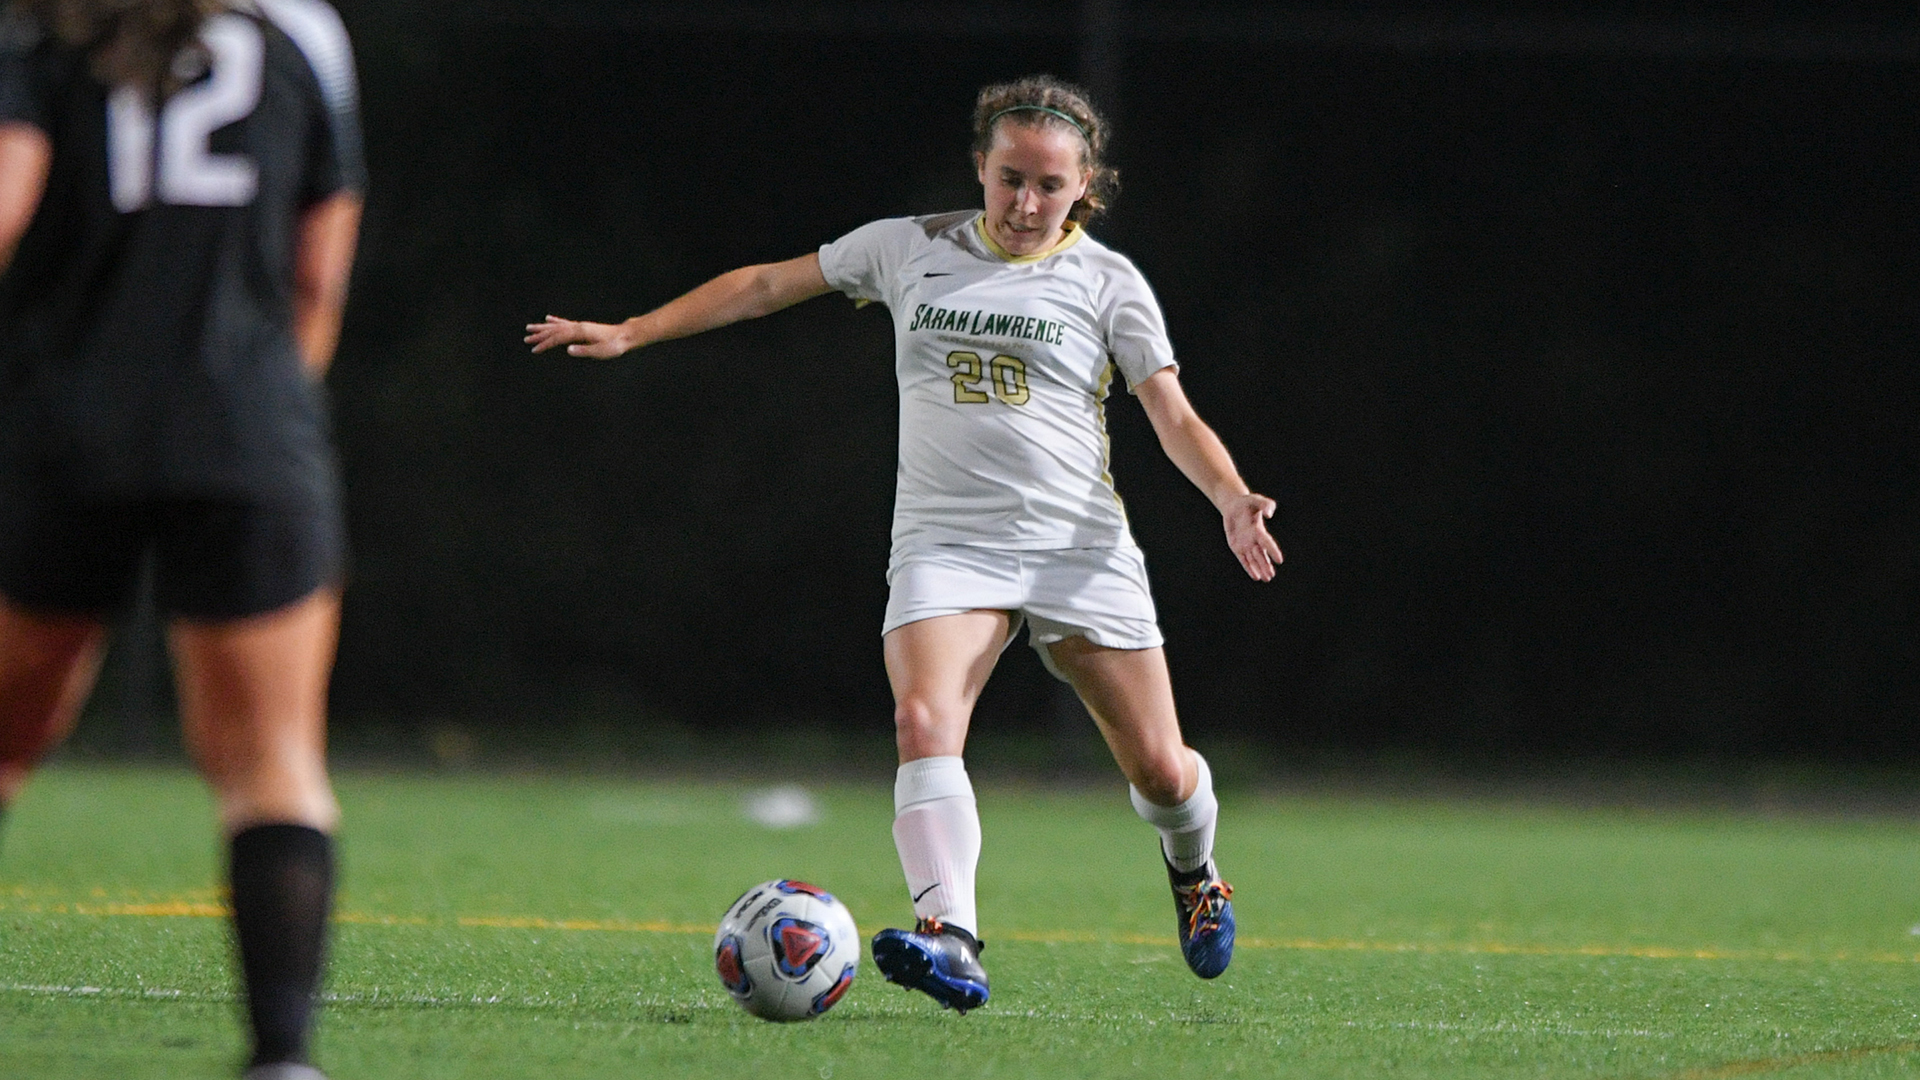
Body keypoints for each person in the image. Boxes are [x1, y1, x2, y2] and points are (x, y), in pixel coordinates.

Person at [527, 74, 1280, 1014]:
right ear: (980, 167)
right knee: (924, 723)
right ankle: (952, 938)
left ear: (1083, 188)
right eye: (1010, 178)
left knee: (1164, 773)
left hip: (1076, 548)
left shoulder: (1106, 282)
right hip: (946, 541)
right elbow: (766, 285)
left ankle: (1195, 869)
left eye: (1050, 186)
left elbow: (1171, 413)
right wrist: (635, 331)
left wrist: (1232, 495)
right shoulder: (908, 247)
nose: (1025, 202)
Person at [0, 0, 362, 1075]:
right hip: (245, 432)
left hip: (65, 429)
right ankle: (282, 1057)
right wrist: (262, 412)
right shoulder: (302, 30)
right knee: (272, 767)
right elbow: (317, 277)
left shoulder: (44, 25)